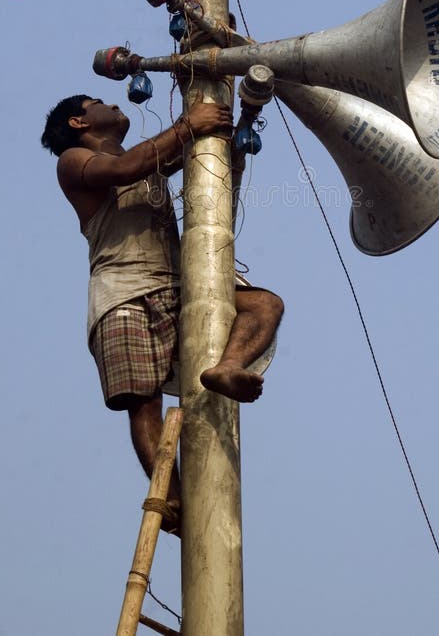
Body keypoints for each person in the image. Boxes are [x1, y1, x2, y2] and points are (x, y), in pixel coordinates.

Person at [41, 94, 284, 528]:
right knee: (145, 406)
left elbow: (176, 158)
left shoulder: (146, 159)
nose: (113, 105)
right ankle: (171, 502)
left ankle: (227, 368)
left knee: (264, 305)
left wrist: (230, 123)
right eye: (99, 103)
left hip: (176, 285)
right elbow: (123, 168)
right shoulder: (74, 159)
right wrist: (190, 123)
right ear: (79, 122)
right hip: (123, 294)